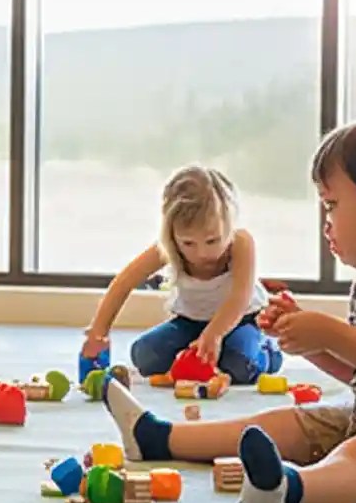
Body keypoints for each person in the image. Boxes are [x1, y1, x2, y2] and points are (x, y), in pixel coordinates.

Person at [101, 113, 356, 503]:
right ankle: (158, 437)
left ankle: (288, 492)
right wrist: (315, 347)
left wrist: (328, 331)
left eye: (333, 204)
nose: (326, 221)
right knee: (289, 423)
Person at [81, 165, 281, 385]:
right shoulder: (168, 248)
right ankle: (211, 358)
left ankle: (267, 350)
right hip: (189, 323)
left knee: (241, 365)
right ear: (173, 235)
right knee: (145, 355)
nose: (202, 253)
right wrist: (98, 332)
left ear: (229, 225)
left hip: (240, 321)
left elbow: (239, 298)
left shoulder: (241, 242)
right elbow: (124, 282)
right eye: (188, 243)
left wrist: (214, 335)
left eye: (212, 241)